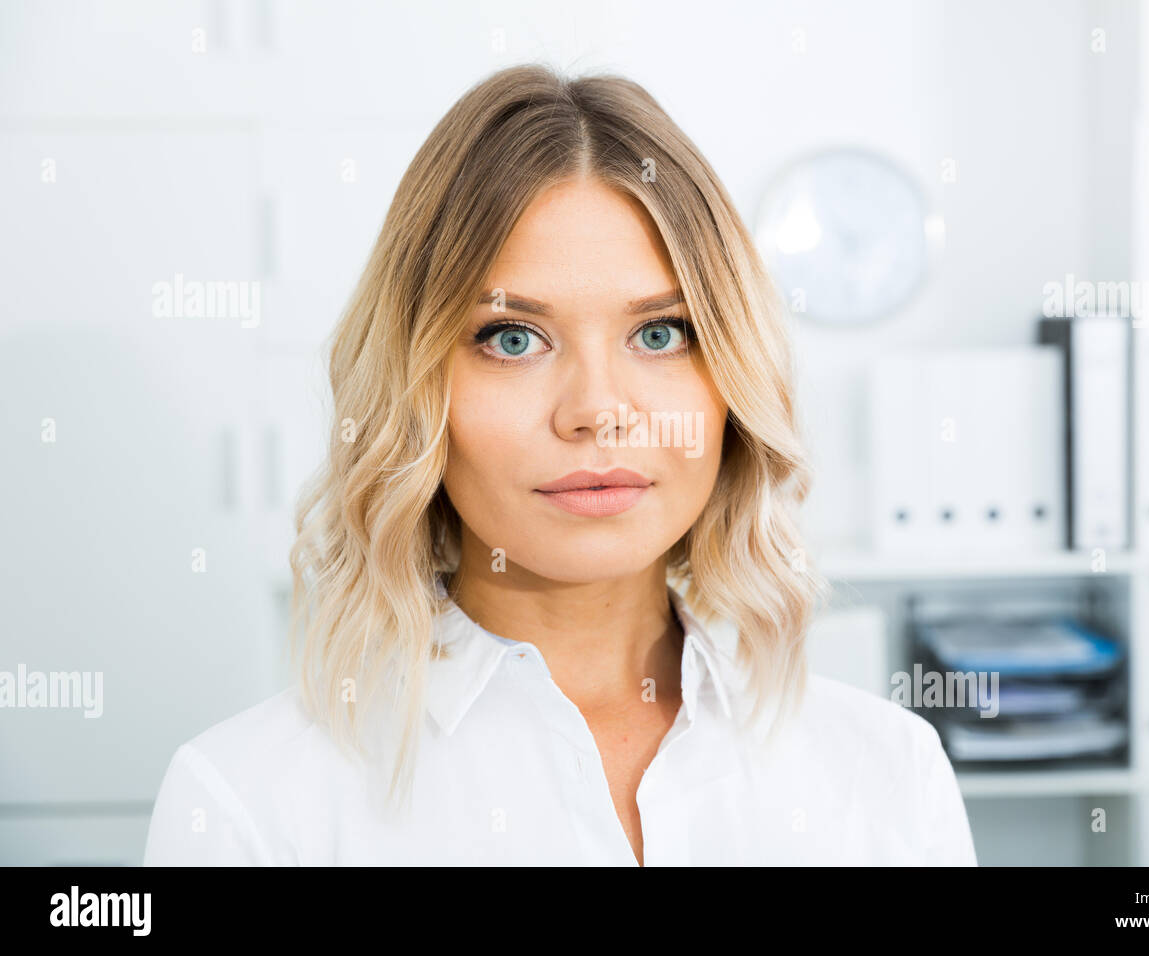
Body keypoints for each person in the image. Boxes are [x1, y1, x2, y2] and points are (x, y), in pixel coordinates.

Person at [142, 63, 977, 866]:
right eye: (513, 339)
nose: (596, 410)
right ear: (415, 389)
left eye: (660, 334)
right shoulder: (250, 806)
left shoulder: (892, 777)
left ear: (732, 379)